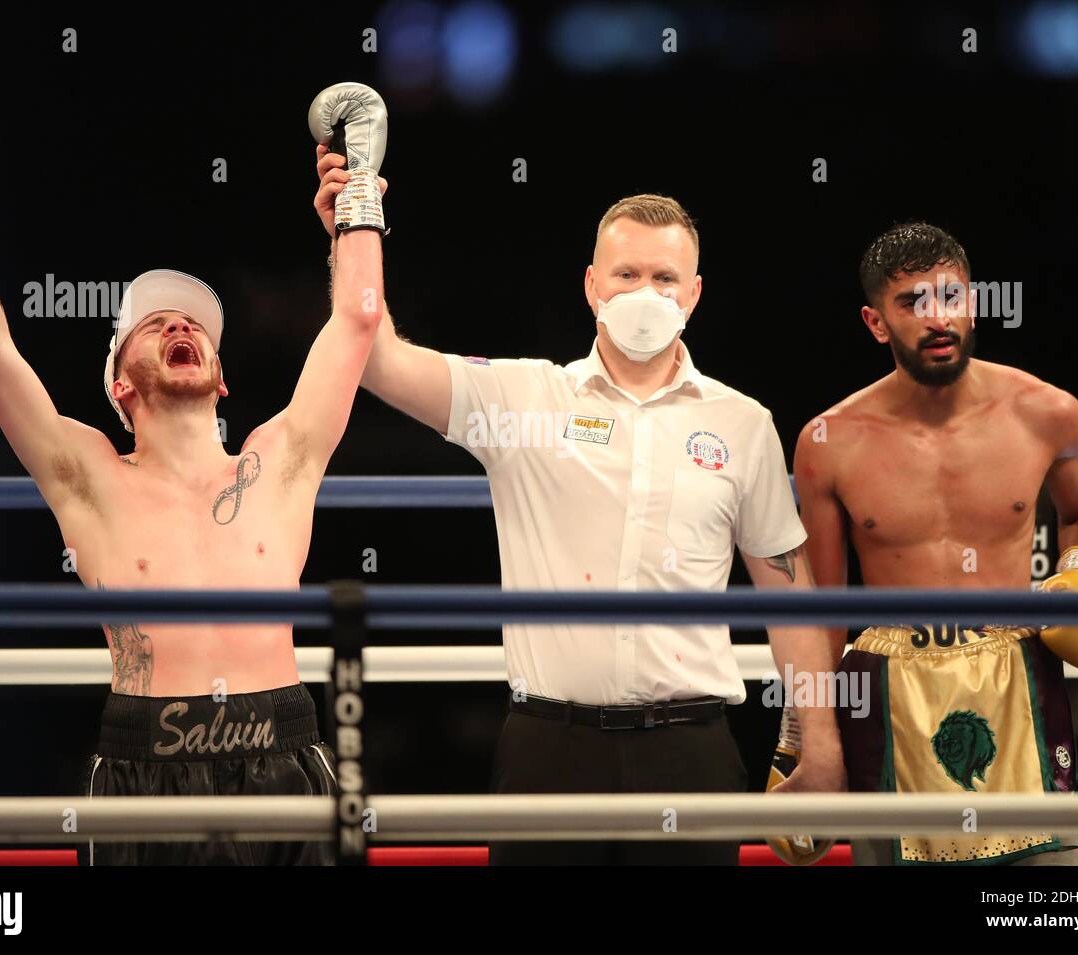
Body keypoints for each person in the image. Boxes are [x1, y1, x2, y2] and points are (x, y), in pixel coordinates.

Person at [0, 96, 388, 864]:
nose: (181, 329)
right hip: (143, 767)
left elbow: (356, 321)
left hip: (281, 757)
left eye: (193, 326)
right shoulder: (87, 476)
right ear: (119, 385)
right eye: (154, 326)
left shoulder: (278, 461)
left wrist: (357, 195)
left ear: (222, 380)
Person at [313, 151, 845, 864]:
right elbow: (376, 358)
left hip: (692, 752)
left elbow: (791, 598)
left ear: (693, 294)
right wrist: (355, 225)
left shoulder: (742, 422)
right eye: (627, 274)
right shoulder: (523, 399)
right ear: (592, 286)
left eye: (663, 278)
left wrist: (817, 737)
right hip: (548, 750)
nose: (645, 291)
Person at [794, 222, 1078, 866]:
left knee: (1045, 900)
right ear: (876, 322)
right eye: (912, 303)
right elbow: (822, 613)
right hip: (890, 689)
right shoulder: (828, 443)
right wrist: (805, 741)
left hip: (1016, 673)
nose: (937, 318)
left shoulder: (1047, 412)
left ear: (974, 301)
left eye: (951, 297)